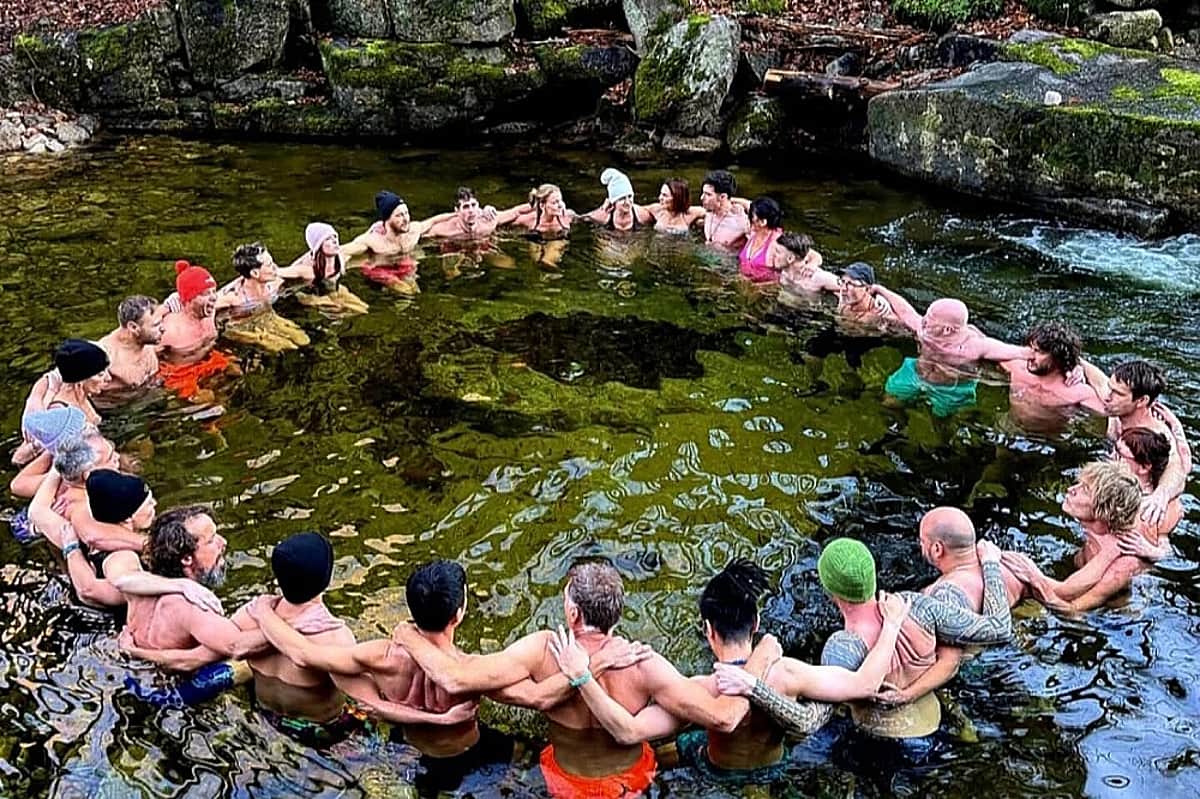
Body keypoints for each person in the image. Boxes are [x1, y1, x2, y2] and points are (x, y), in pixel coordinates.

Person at [246, 560, 648, 790]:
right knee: (522, 756)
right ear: (460, 613)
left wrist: (263, 610)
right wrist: (591, 667)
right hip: (472, 752)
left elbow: (304, 653)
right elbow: (540, 697)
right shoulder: (474, 669)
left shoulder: (380, 655)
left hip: (415, 753)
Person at [390, 560, 776, 799]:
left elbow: (457, 679)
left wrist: (407, 634)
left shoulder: (543, 651)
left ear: (573, 613)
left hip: (565, 782)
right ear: (617, 614)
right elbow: (724, 716)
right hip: (629, 781)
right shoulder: (644, 664)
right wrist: (760, 656)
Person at [545, 559, 910, 779]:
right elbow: (866, 683)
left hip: (716, 768)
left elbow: (630, 730)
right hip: (772, 765)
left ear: (707, 630)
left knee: (667, 750)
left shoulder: (702, 687)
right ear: (756, 623)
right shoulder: (787, 675)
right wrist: (891, 625)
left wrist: (585, 676)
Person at [718, 537, 1014, 740]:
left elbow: (809, 722)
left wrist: (755, 688)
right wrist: (989, 563)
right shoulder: (917, 606)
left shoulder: (842, 647)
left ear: (831, 593)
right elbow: (1000, 628)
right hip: (932, 728)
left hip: (880, 745)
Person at [873, 508, 1026, 708]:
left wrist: (906, 695)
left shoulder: (947, 593)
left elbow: (949, 663)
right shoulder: (1005, 564)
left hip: (980, 674)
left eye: (922, 541)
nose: (920, 545)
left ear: (937, 549)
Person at [1002, 461, 1150, 614]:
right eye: (1079, 484)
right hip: (1073, 580)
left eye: (1085, 490)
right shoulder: (1100, 532)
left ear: (1105, 509)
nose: (1071, 489)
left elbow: (1072, 609)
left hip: (1105, 622)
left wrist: (1032, 574)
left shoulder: (1121, 563)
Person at [872, 287, 1031, 417]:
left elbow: (1020, 353)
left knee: (941, 422)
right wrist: (879, 289)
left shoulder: (975, 347)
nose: (924, 320)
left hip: (951, 390)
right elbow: (906, 311)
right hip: (915, 374)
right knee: (889, 404)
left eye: (931, 318)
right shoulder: (925, 331)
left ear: (947, 329)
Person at [1079, 359, 1191, 528]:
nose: (1108, 396)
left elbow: (1177, 470)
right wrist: (1075, 362)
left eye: (1117, 393)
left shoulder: (1154, 435)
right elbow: (1098, 380)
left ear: (1141, 401)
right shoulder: (1118, 405)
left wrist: (1161, 495)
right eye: (1111, 388)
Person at [1000, 321, 1104, 433]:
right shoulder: (1017, 367)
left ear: (1057, 358)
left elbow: (1110, 415)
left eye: (1039, 352)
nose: (1031, 355)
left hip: (1049, 440)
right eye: (1032, 349)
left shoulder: (1079, 393)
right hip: (1010, 428)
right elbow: (983, 344)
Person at [158, 260, 234, 400]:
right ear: (188, 300)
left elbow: (233, 300)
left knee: (236, 372)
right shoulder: (169, 330)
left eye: (213, 291)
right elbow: (144, 354)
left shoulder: (210, 311)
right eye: (205, 293)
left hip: (209, 358)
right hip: (181, 372)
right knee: (208, 399)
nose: (213, 297)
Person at [217, 243, 311, 353]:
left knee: (303, 340)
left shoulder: (274, 283)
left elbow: (305, 272)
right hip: (243, 326)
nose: (275, 266)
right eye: (270, 264)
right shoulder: (234, 298)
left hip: (269, 317)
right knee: (283, 347)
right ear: (255, 273)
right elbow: (205, 307)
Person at [1114, 427, 1182, 552]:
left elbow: (1166, 549)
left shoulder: (1152, 507)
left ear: (1144, 467)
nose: (1113, 457)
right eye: (1115, 450)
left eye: (1120, 455)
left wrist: (1148, 551)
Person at [20, 339, 111, 433]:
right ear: (81, 380)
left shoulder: (79, 392)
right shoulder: (60, 415)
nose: (108, 378)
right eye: (100, 374)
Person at [279, 222, 370, 314]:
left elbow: (361, 245)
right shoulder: (308, 270)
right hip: (309, 296)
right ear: (318, 245)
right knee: (338, 307)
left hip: (333, 288)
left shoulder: (341, 259)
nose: (335, 241)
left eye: (335, 237)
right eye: (328, 239)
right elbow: (277, 272)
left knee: (363, 309)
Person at [95, 296, 165, 406]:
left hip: (147, 401)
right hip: (115, 413)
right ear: (133, 327)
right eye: (155, 325)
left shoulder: (147, 342)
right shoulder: (105, 355)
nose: (163, 329)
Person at [512, 184, 574, 269]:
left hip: (558, 239)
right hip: (535, 240)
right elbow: (506, 225)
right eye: (554, 202)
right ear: (542, 205)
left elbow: (585, 218)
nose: (560, 205)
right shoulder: (530, 220)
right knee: (537, 261)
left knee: (550, 256)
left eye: (560, 200)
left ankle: (551, 269)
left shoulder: (567, 216)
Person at [700, 170, 751, 249]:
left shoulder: (740, 222)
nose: (702, 198)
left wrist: (744, 203)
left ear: (723, 197)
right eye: (703, 193)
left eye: (708, 194)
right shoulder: (707, 213)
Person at [738, 197, 785, 283]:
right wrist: (730, 199)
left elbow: (809, 255)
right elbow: (747, 204)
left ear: (763, 222)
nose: (749, 218)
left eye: (751, 216)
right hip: (745, 285)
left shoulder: (778, 241)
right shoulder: (753, 233)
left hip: (764, 291)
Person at [634, 178, 706, 232]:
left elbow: (710, 213)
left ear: (677, 198)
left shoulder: (689, 213)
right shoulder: (658, 210)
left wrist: (699, 223)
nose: (660, 198)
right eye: (661, 194)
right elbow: (637, 208)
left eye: (665, 195)